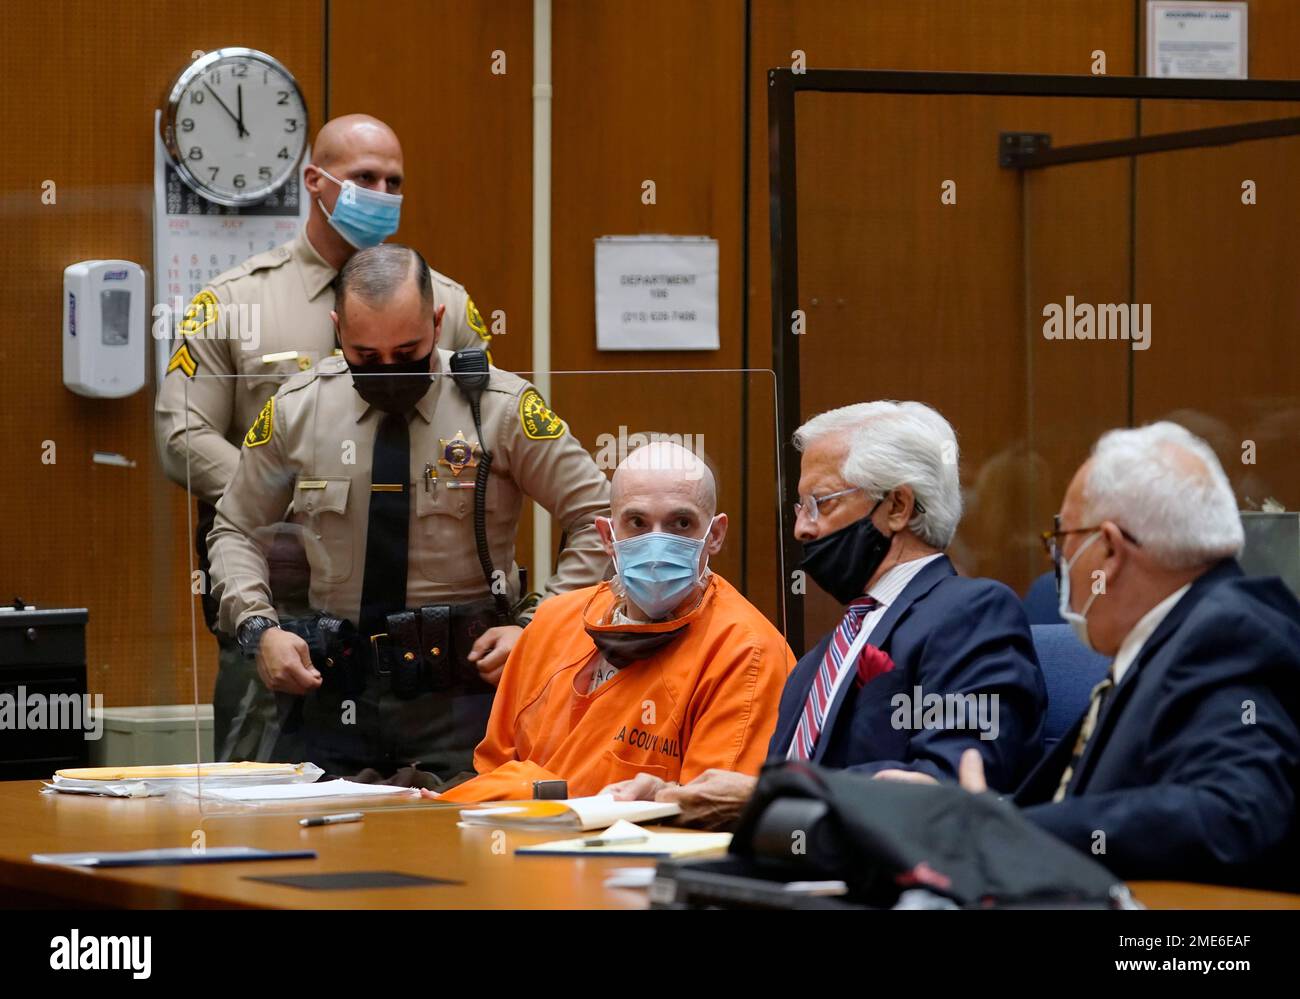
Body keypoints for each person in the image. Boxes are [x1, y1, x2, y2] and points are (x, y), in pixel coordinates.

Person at [155, 114, 492, 763]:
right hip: (278, 614)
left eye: (395, 180)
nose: (384, 192)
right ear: (314, 180)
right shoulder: (234, 303)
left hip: (413, 637)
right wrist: (292, 494)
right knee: (258, 817)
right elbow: (181, 433)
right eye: (366, 177)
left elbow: (487, 431)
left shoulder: (442, 306)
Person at [206, 244, 610, 783]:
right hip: (331, 691)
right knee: (324, 856)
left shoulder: (499, 408)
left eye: (407, 350)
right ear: (337, 331)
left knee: (463, 852)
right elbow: (235, 529)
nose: (389, 370)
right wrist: (260, 628)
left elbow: (599, 516)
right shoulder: (298, 409)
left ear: (437, 323)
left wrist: (537, 628)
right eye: (367, 357)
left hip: (463, 696)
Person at [608, 401, 1046, 828]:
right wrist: (670, 798)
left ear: (897, 507)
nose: (803, 528)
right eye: (801, 507)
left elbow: (949, 786)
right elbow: (794, 793)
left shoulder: (971, 614)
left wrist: (763, 795)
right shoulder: (820, 660)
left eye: (822, 503)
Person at [949, 421, 1300, 888]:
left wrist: (1006, 831)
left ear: (1110, 550)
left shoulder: (1228, 635)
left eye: (1064, 539)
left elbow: (1236, 812)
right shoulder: (1177, 632)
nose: (1061, 561)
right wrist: (968, 814)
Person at [430, 442, 795, 802]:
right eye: (637, 522)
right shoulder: (552, 624)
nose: (656, 544)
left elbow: (708, 813)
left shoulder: (746, 651)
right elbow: (490, 776)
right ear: (607, 536)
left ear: (714, 535)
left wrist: (538, 791)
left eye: (680, 523)